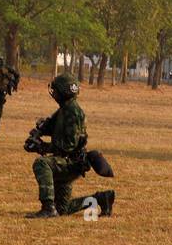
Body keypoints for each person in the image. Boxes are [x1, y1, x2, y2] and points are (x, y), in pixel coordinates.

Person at [25, 73, 115, 219]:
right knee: (64, 208)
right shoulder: (65, 109)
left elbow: (68, 146)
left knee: (41, 163)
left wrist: (42, 147)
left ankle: (48, 207)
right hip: (67, 161)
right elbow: (49, 125)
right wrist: (37, 133)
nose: (54, 93)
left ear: (64, 92)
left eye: (56, 90)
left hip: (71, 162)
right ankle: (101, 198)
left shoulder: (73, 112)